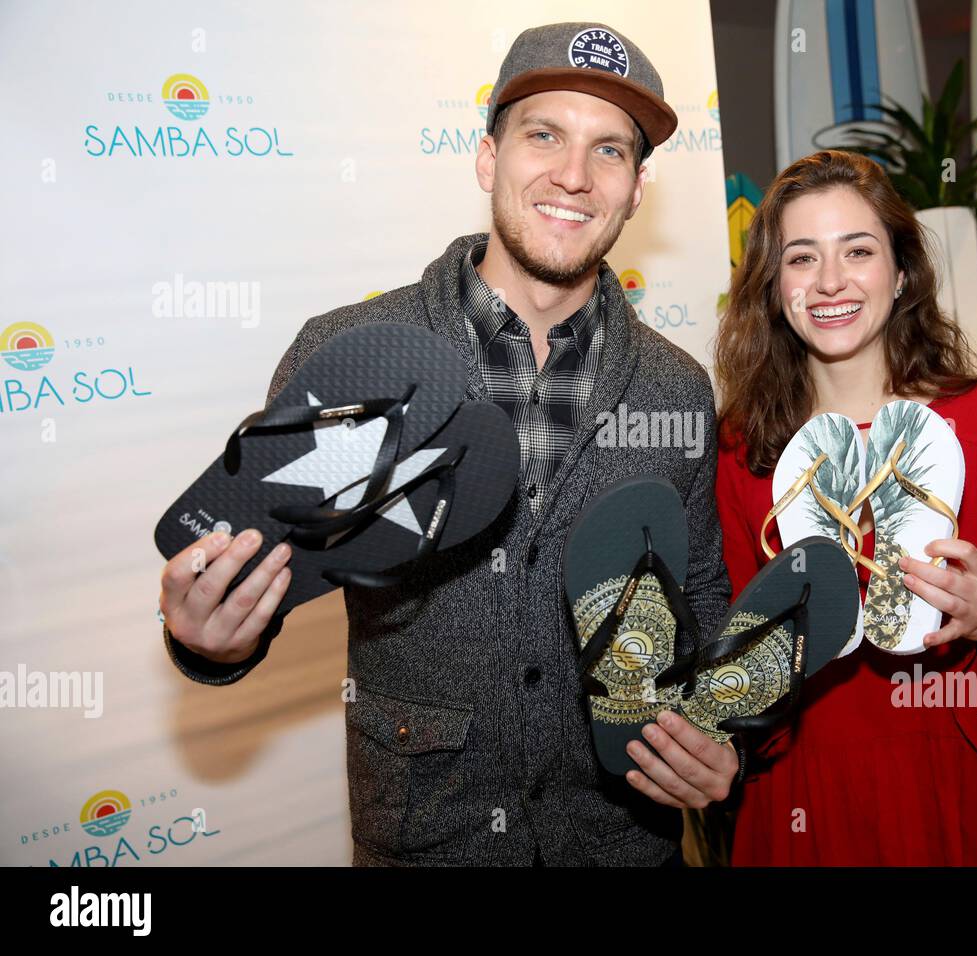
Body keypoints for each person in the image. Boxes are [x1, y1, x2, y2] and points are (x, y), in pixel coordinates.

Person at [157, 21, 738, 866]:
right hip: (430, 841)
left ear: (637, 188)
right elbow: (263, 565)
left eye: (609, 150)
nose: (573, 175)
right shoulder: (351, 350)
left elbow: (702, 590)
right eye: (544, 135)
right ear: (486, 157)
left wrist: (721, 731)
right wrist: (211, 639)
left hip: (624, 842)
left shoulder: (677, 386)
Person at [712, 149, 977, 865]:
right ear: (772, 286)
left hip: (958, 776)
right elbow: (733, 646)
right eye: (801, 258)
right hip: (805, 784)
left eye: (858, 250)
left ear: (901, 271)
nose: (830, 281)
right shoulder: (740, 449)